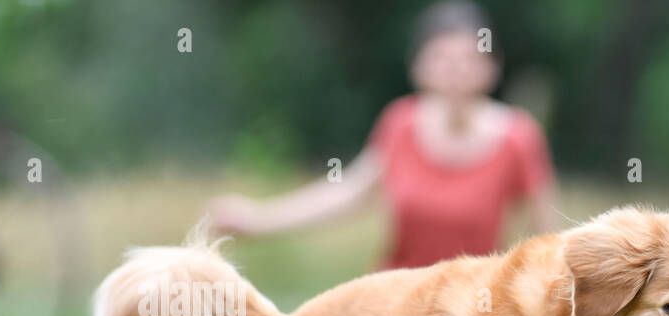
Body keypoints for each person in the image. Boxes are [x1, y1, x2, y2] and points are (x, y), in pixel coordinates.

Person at [207, 1, 558, 269]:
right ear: (419, 67)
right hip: (393, 311)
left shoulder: (519, 137)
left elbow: (548, 243)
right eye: (442, 58)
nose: (455, 70)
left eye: (468, 58)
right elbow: (348, 191)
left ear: (491, 68)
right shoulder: (399, 123)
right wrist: (258, 219)